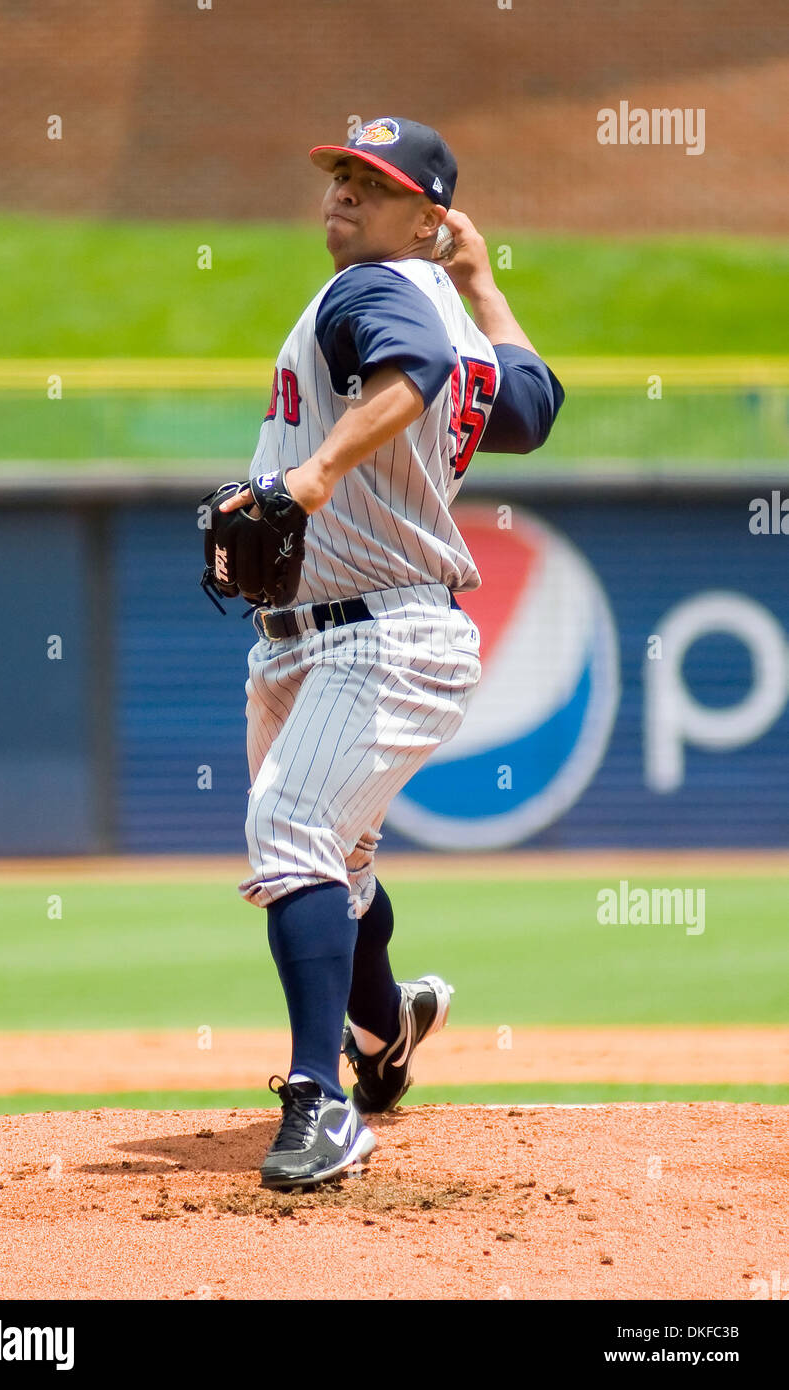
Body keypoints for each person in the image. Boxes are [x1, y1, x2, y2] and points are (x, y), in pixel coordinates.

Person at [219, 116, 564, 1188]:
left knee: (288, 828)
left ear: (426, 218)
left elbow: (408, 368)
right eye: (336, 175)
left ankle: (318, 1104)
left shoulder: (376, 295)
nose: (340, 194)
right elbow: (531, 405)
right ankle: (383, 1033)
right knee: (339, 860)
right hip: (316, 636)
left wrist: (311, 478)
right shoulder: (444, 308)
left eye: (370, 184)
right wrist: (482, 279)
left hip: (381, 628)